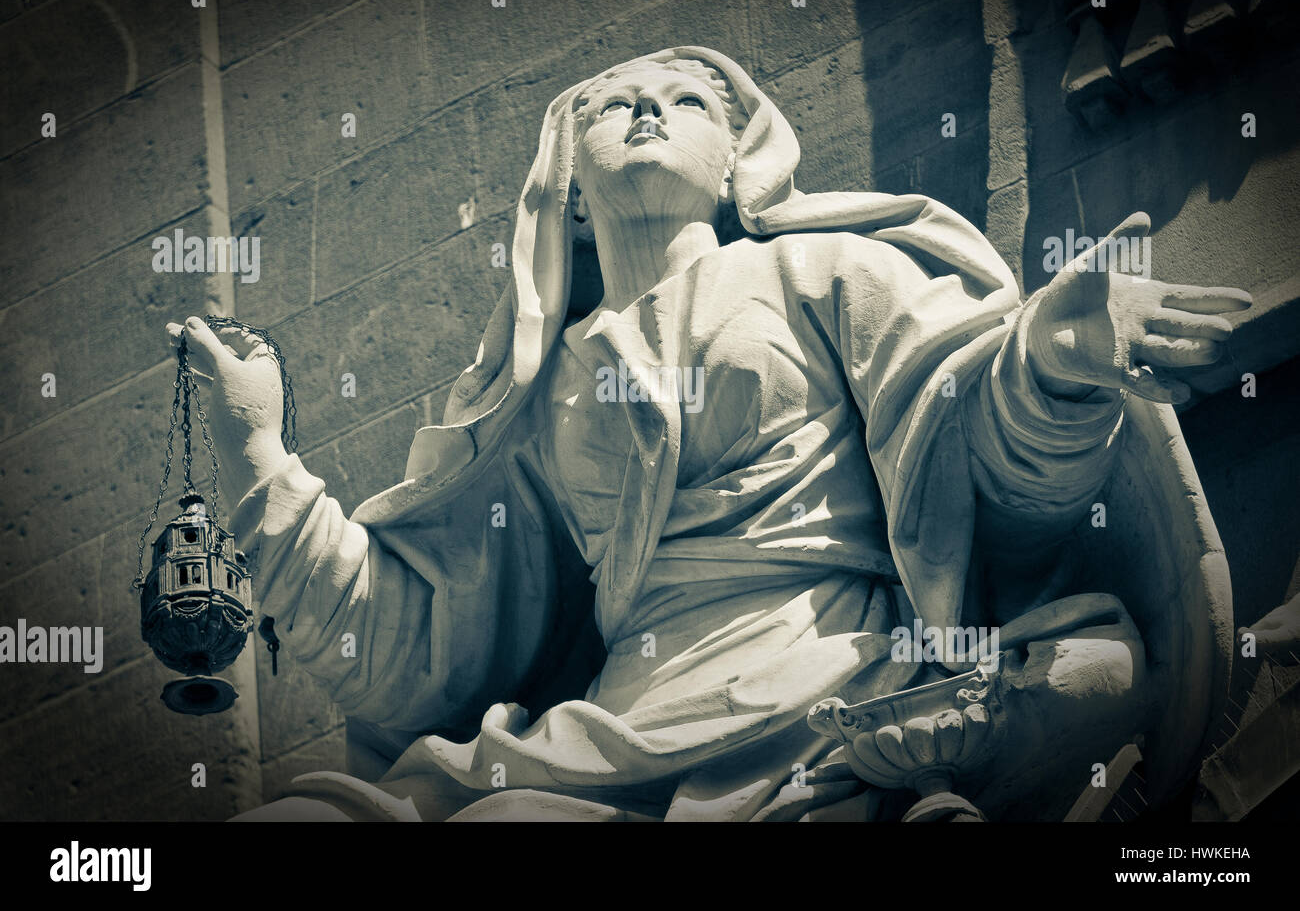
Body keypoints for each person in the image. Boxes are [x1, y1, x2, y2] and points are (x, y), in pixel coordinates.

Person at [166, 47, 1251, 821]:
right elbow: (417, 650)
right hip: (615, 721)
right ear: (572, 196)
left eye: (683, 100)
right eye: (613, 106)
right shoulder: (536, 399)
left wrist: (1051, 362)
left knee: (1089, 673)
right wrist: (258, 451)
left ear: (734, 160)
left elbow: (971, 451)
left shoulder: (821, 271)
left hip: (832, 673)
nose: (646, 113)